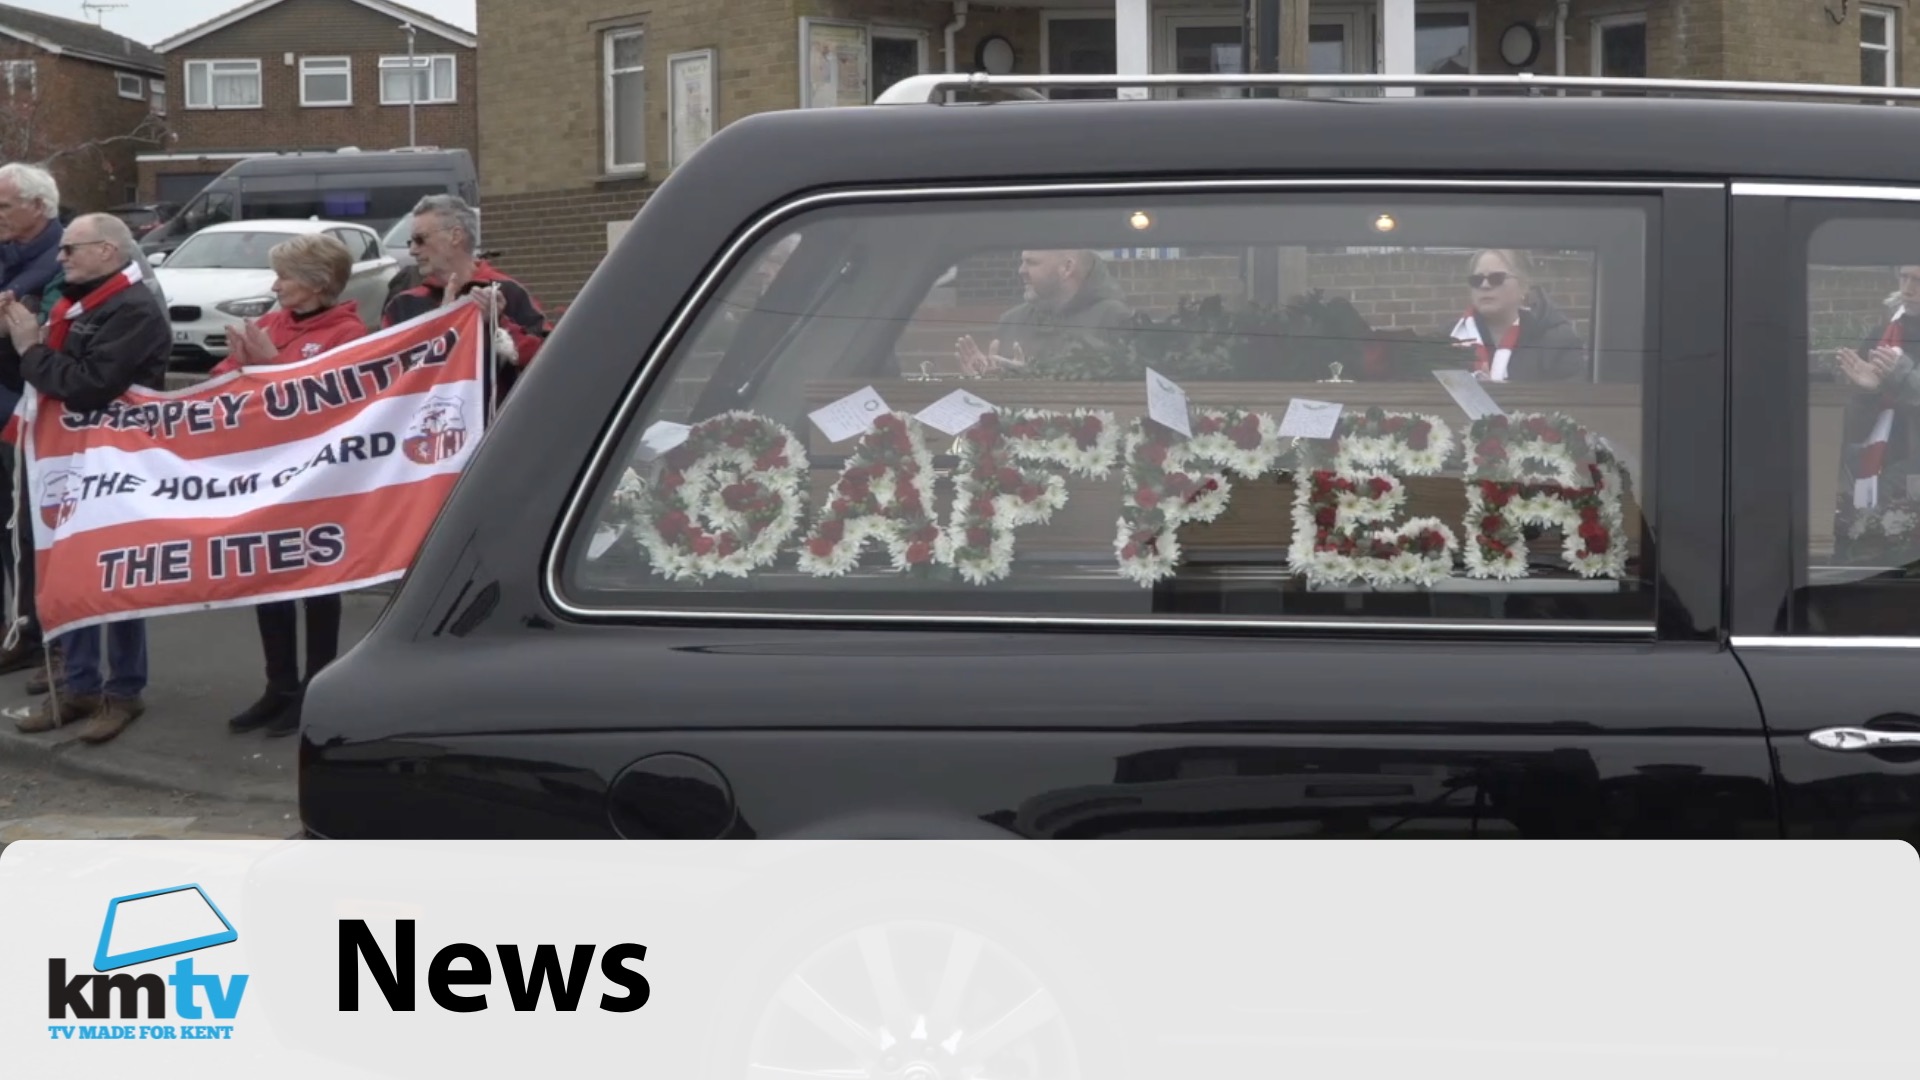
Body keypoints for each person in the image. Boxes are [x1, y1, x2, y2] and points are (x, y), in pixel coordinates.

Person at [0, 213, 169, 744]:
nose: (60, 257)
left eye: (72, 249)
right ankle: (76, 684)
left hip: (117, 463)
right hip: (70, 458)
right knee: (68, 574)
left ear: (108, 251)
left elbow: (87, 386)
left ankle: (122, 692)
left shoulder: (135, 310)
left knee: (115, 576)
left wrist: (31, 348)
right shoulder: (79, 304)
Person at [209, 233, 366, 737]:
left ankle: (315, 691)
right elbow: (226, 378)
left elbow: (335, 399)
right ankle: (279, 686)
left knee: (318, 586)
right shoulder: (271, 323)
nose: (275, 285)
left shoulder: (349, 332)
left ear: (318, 283)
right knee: (268, 576)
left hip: (318, 477)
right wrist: (238, 367)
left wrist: (267, 367)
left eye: (285, 276)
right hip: (265, 473)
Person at [383, 194, 549, 400]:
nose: (412, 250)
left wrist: (498, 324)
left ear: (456, 236)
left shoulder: (509, 291)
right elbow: (386, 379)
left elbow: (547, 363)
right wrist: (442, 326)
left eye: (420, 240)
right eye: (411, 241)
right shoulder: (403, 304)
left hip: (495, 427)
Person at [955, 249, 1134, 376]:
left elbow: (1120, 396)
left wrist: (1031, 378)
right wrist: (986, 380)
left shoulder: (1113, 317)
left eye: (1031, 263)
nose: (1021, 270)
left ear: (1067, 268)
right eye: (1022, 261)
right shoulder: (1011, 320)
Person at [1832, 264, 1920, 519]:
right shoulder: (1882, 332)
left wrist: (1901, 376)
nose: (1908, 288)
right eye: (1904, 277)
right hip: (1879, 460)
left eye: (1918, 280)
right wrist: (1867, 392)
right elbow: (1856, 428)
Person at [1448, 249, 1588, 382]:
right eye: (1476, 280)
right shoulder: (1446, 339)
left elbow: (1569, 402)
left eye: (1497, 278)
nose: (1485, 285)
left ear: (1523, 285)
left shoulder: (1557, 343)